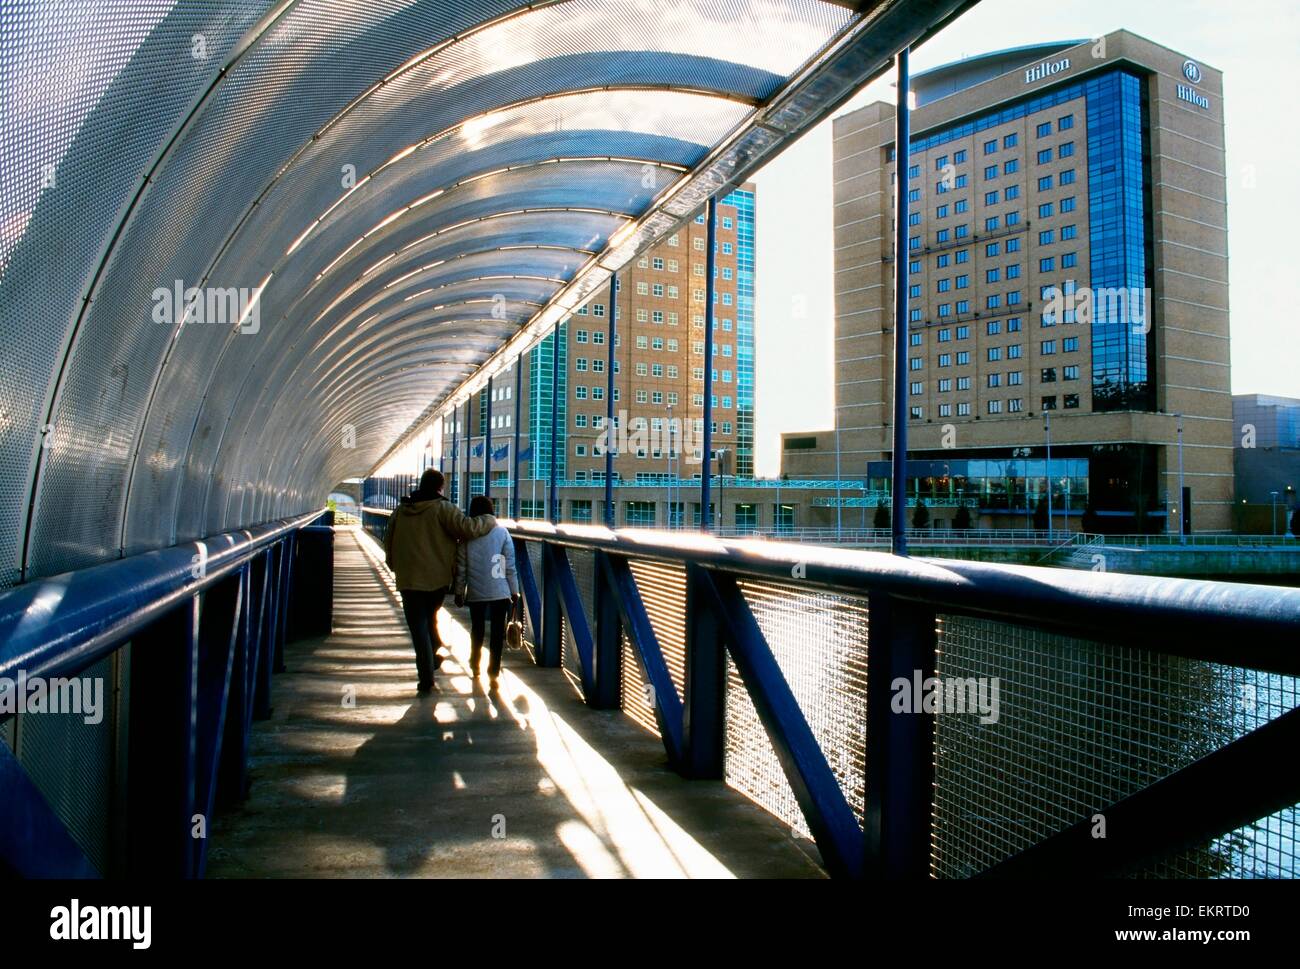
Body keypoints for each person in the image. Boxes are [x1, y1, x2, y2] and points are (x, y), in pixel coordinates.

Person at [383, 469, 496, 694]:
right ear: (440, 487)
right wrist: (489, 519)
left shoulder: (400, 510)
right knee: (429, 618)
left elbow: (389, 541)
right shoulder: (443, 508)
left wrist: (396, 566)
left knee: (419, 627)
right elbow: (468, 528)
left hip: (408, 580)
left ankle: (428, 670)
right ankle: (431, 661)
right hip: (437, 580)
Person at [454, 495, 519, 690]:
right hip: (500, 590)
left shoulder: (466, 536)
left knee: (478, 629)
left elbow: (461, 567)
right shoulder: (502, 533)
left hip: (476, 591)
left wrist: (459, 592)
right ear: (491, 510)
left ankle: (475, 664)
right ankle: (493, 671)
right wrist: (514, 590)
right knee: (498, 632)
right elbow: (509, 566)